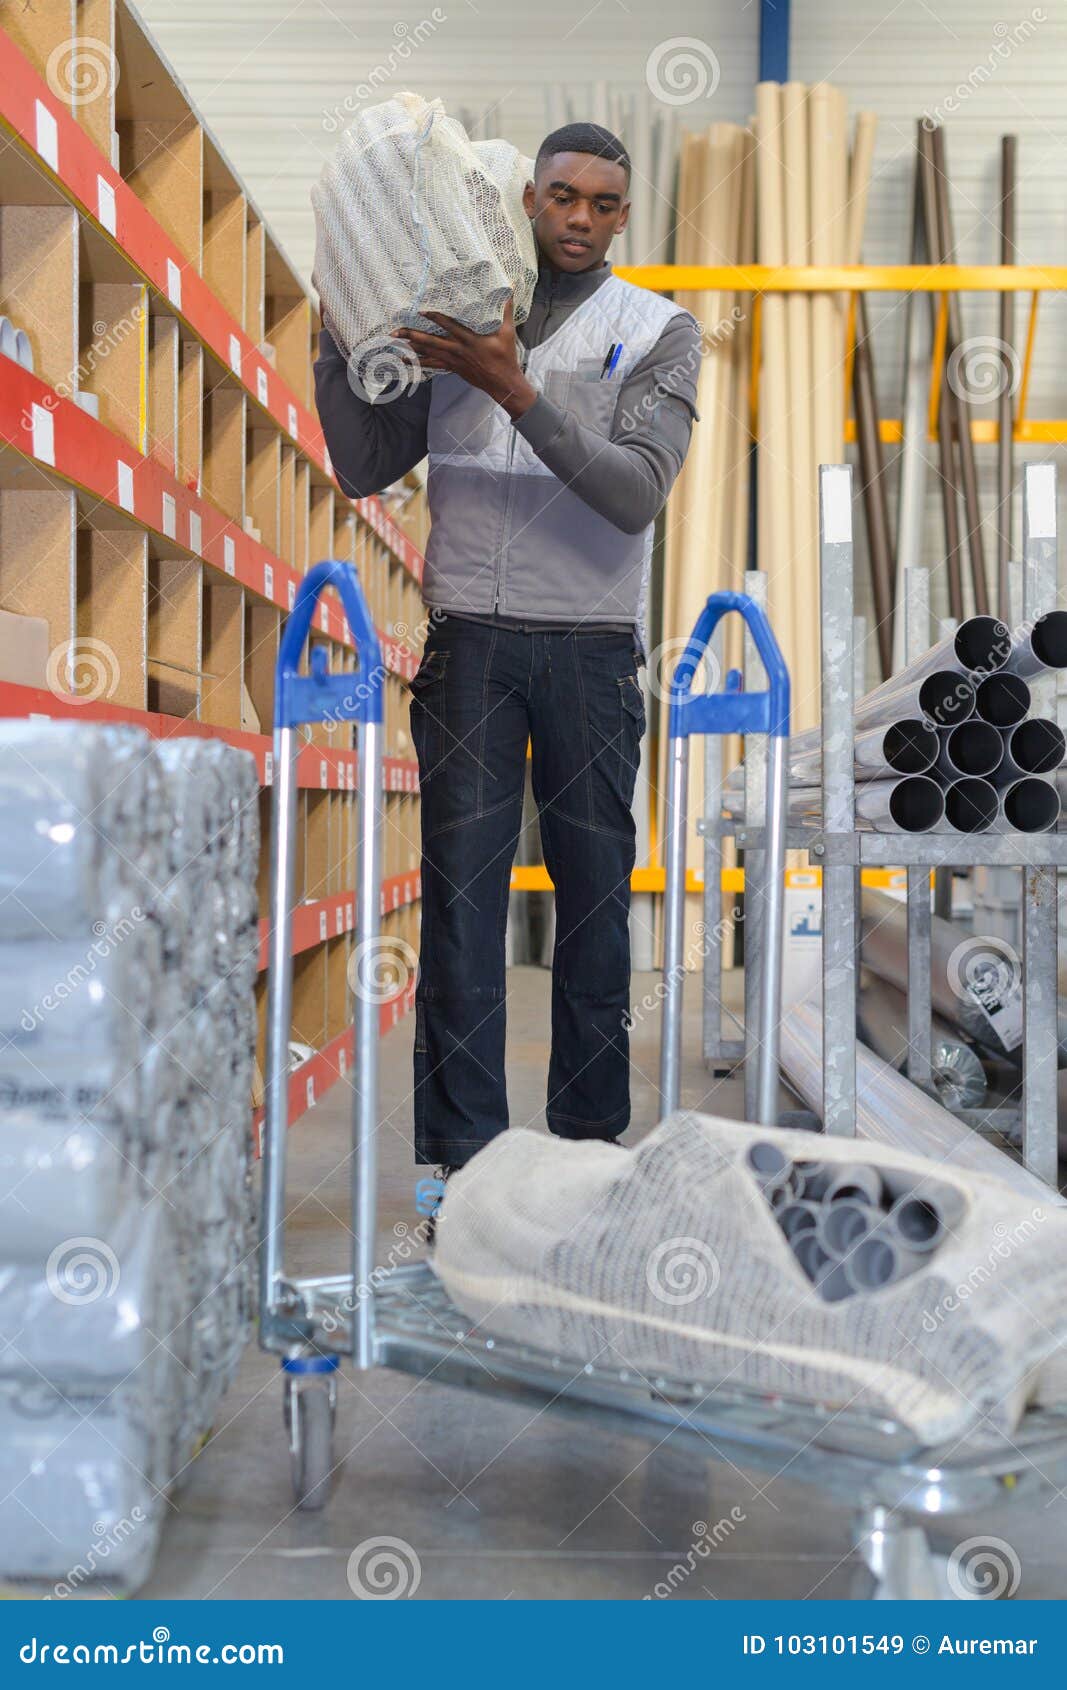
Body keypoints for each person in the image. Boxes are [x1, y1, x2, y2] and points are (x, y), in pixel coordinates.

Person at [315, 121, 700, 1185]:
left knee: (591, 911)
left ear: (625, 214)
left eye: (604, 204)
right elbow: (360, 463)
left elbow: (631, 495)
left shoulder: (658, 331)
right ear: (527, 198)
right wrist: (337, 328)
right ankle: (461, 1170)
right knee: (461, 914)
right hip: (470, 650)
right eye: (563, 196)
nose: (580, 219)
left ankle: (583, 1161)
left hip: (586, 653)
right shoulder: (454, 309)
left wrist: (509, 383)